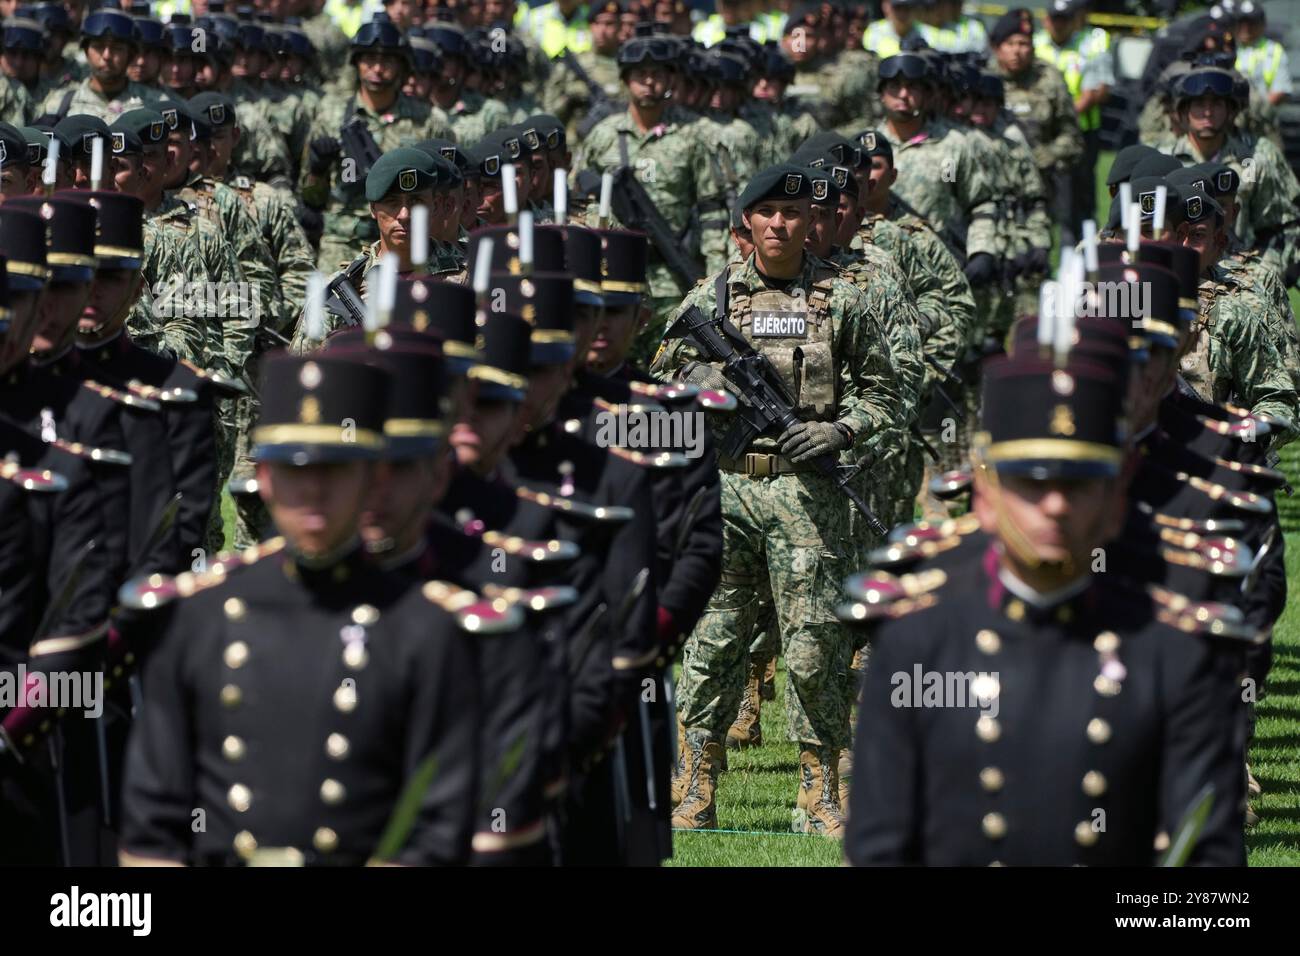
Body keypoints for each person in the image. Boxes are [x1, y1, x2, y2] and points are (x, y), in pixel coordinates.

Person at [845, 338, 1248, 866]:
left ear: (1116, 500)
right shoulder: (918, 648)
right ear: (985, 498)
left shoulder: (1171, 655)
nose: (1055, 506)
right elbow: (879, 850)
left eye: (1080, 484)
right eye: (1032, 484)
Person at [117, 350, 488, 866]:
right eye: (296, 468)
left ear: (373, 478)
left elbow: (440, 826)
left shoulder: (420, 628)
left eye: (337, 468)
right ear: (264, 477)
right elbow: (153, 825)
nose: (314, 490)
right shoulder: (199, 618)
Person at [653, 164, 902, 834]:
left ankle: (819, 793)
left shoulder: (840, 300)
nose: (781, 226)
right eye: (767, 214)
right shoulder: (714, 295)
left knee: (815, 646)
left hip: (806, 493)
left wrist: (840, 429)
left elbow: (886, 395)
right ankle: (693, 787)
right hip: (725, 485)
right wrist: (708, 376)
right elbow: (661, 371)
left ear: (809, 223)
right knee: (711, 640)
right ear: (746, 224)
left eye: (793, 215)